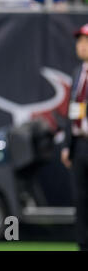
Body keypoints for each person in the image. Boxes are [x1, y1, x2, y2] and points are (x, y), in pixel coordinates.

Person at [61, 23, 88, 251]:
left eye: (86, 41)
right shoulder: (78, 72)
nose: (82, 46)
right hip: (80, 145)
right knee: (80, 199)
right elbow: (73, 110)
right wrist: (67, 146)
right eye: (80, 41)